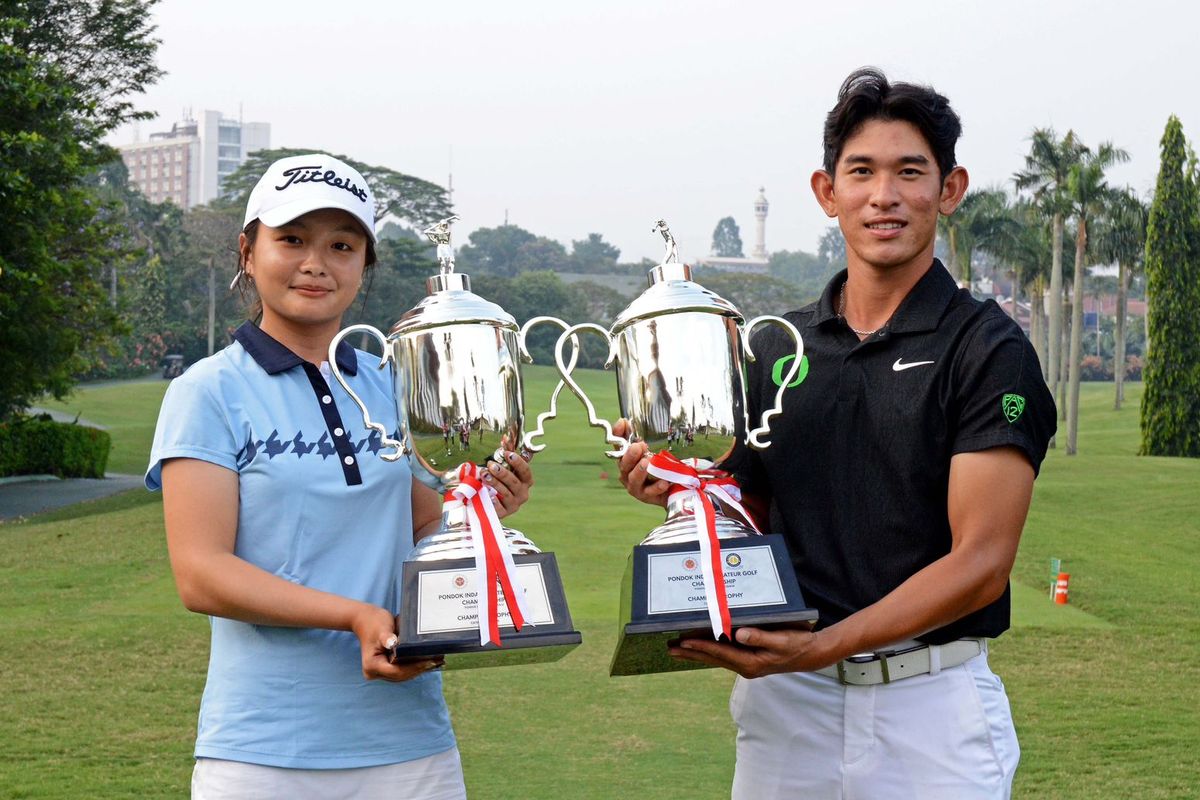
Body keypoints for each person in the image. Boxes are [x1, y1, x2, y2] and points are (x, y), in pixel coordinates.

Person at [618, 68, 1056, 799]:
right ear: (828, 193)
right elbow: (752, 511)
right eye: (862, 172)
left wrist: (825, 644)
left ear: (949, 189)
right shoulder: (772, 344)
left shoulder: (987, 349)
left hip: (931, 706)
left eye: (909, 171)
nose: (884, 195)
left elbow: (982, 560)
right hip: (790, 713)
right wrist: (684, 495)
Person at [145, 153, 534, 799]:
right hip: (264, 752)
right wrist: (355, 616)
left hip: (410, 746)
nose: (315, 263)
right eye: (291, 240)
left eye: (342, 245)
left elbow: (423, 521)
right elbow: (201, 573)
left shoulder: (394, 386)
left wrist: (483, 514)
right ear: (248, 251)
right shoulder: (208, 391)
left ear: (364, 265)